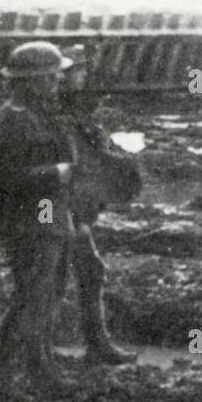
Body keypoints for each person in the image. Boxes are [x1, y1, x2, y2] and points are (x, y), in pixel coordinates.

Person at [0, 41, 78, 390]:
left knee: (47, 291)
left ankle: (31, 364)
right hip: (25, 219)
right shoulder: (11, 120)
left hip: (46, 213)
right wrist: (57, 173)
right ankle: (9, 370)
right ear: (31, 81)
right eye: (51, 78)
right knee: (32, 294)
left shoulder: (39, 113)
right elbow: (5, 179)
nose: (57, 84)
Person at [58, 45, 138, 365]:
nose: (83, 74)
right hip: (60, 207)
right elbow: (71, 165)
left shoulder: (74, 110)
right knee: (56, 280)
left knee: (90, 270)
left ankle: (97, 345)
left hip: (72, 207)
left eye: (82, 69)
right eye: (76, 70)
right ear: (61, 76)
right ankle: (29, 353)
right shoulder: (58, 114)